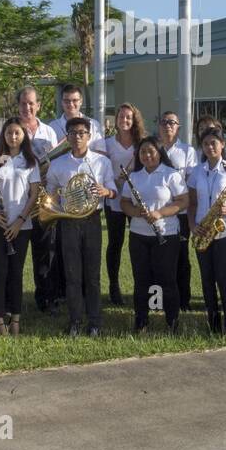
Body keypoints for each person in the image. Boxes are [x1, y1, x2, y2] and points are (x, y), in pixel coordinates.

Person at [43, 117, 117, 336]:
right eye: (73, 133)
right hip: (68, 222)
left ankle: (95, 322)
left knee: (92, 276)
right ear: (67, 137)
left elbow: (113, 189)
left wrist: (106, 191)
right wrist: (57, 200)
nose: (77, 137)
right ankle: (75, 320)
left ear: (89, 136)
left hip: (93, 221)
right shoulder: (57, 164)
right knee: (72, 275)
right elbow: (51, 193)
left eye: (82, 133)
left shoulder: (102, 162)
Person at [0, 118, 41, 336]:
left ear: (23, 135)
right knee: (0, 271)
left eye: (17, 133)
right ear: (3, 136)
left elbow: (34, 194)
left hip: (21, 226)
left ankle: (15, 318)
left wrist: (20, 220)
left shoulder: (30, 161)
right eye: (8, 133)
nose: (13, 137)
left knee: (16, 272)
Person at [119, 136, 188, 333]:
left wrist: (159, 213)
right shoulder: (134, 176)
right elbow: (124, 202)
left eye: (151, 151)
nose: (147, 155)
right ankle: (141, 321)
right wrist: (134, 212)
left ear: (159, 152)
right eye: (142, 152)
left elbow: (183, 201)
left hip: (166, 234)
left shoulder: (171, 174)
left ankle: (172, 321)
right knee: (141, 279)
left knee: (167, 278)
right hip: (138, 234)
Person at [188, 128, 226, 333]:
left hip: (225, 230)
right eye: (206, 144)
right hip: (203, 230)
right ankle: (212, 322)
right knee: (206, 278)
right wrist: (193, 226)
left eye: (214, 143)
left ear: (222, 144)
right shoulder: (196, 171)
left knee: (223, 276)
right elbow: (192, 203)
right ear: (202, 148)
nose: (210, 147)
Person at [17, 85, 66, 312]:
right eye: (23, 103)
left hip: (44, 200)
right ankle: (11, 300)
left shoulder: (49, 132)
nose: (28, 107)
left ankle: (46, 298)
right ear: (18, 106)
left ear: (38, 106)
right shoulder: (12, 130)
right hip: (18, 200)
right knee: (15, 253)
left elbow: (56, 164)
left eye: (31, 103)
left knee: (46, 251)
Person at [98, 102, 144, 305]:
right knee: (115, 244)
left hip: (135, 199)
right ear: (115, 120)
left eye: (128, 117)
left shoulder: (141, 143)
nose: (124, 120)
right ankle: (114, 286)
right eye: (121, 116)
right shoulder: (107, 143)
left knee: (138, 244)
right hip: (115, 199)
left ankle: (140, 286)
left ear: (134, 120)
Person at [156, 110, 198, 312]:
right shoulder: (153, 149)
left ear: (178, 126)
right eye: (164, 122)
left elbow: (192, 181)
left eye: (172, 122)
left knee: (181, 257)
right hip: (157, 213)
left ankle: (183, 300)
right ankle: (157, 301)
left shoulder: (188, 151)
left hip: (180, 213)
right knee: (157, 259)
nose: (167, 126)